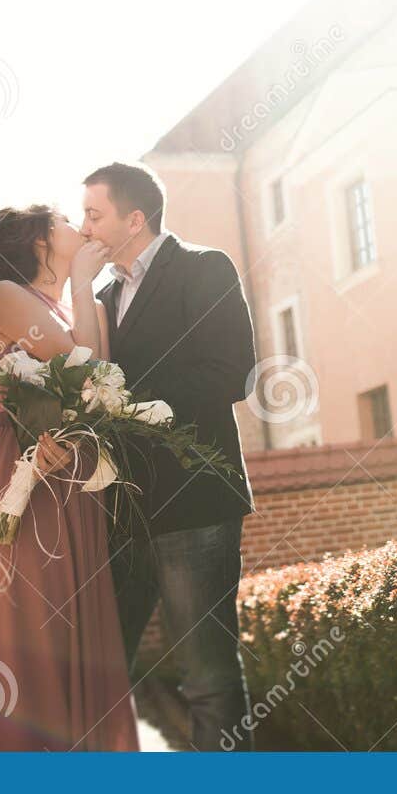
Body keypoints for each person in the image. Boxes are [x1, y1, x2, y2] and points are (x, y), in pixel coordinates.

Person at [79, 161, 257, 751]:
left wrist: (129, 402)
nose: (85, 229)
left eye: (94, 215)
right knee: (100, 672)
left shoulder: (205, 268)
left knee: (207, 678)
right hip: (122, 513)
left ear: (135, 219)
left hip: (196, 506)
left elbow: (231, 372)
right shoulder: (99, 296)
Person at [0, 204, 138, 751]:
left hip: (72, 473)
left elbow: (97, 381)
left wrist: (82, 290)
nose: (76, 224)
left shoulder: (70, 308)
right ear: (37, 241)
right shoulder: (8, 294)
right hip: (23, 475)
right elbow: (80, 372)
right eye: (61, 218)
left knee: (72, 628)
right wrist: (83, 281)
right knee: (28, 621)